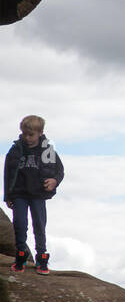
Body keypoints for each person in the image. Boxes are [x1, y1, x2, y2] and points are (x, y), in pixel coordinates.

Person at [4, 115, 64, 275]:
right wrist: (7, 195)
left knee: (39, 225)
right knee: (20, 224)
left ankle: (42, 257)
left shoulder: (47, 150)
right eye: (25, 134)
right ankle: (21, 255)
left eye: (31, 135)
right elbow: (7, 173)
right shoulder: (16, 150)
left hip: (38, 194)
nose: (27, 138)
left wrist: (54, 181)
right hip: (19, 194)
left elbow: (59, 170)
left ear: (40, 133)